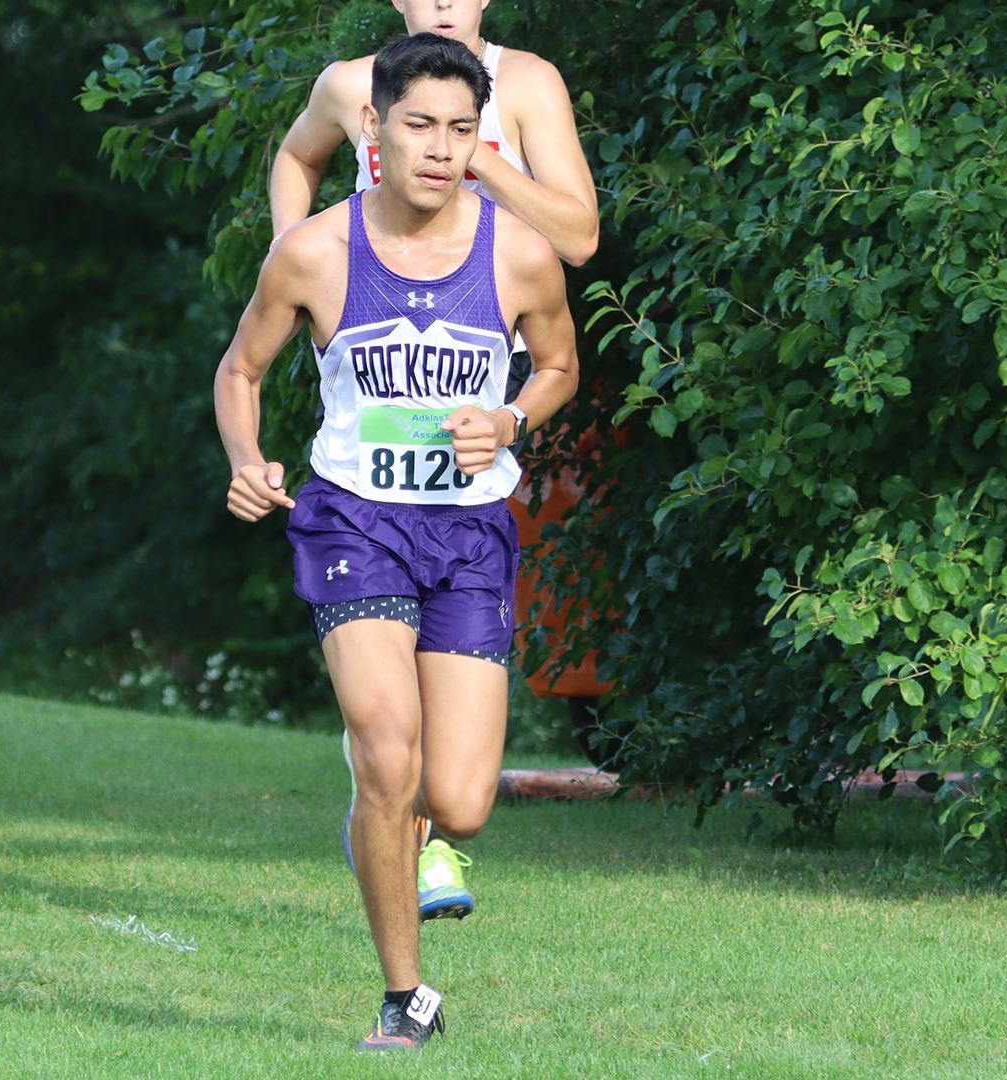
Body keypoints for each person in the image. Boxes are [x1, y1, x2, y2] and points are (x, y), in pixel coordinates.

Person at [218, 33, 578, 1050]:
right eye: (418, 124)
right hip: (354, 523)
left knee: (456, 802)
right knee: (387, 756)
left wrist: (509, 420)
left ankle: (392, 825)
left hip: (467, 534)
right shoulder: (317, 253)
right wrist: (247, 458)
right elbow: (239, 371)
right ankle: (405, 998)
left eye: (461, 130)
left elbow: (556, 368)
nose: (439, 148)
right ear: (371, 127)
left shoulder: (518, 252)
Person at [271, 0, 598, 922]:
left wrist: (477, 155)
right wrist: (290, 250)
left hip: (480, 362)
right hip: (375, 347)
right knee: (386, 727)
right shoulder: (348, 84)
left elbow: (576, 238)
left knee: (458, 770)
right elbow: (296, 160)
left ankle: (426, 823)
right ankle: (397, 815)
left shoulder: (527, 84)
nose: (445, 1)